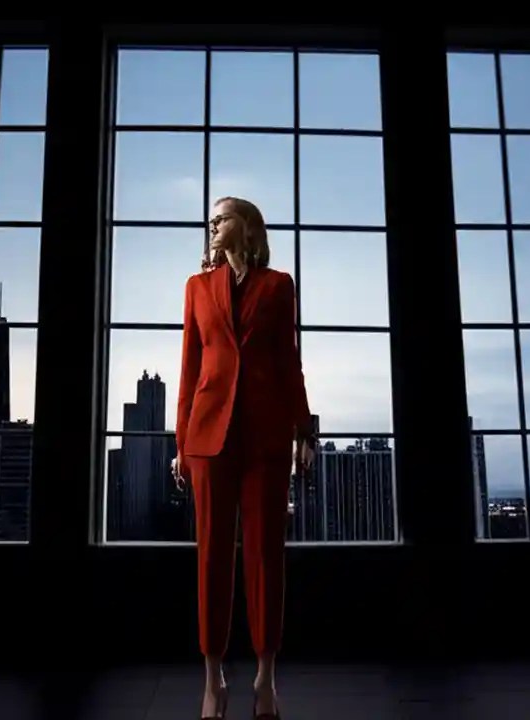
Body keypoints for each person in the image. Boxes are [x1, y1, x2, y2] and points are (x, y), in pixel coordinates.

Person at [172, 196, 316, 719]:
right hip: (209, 437)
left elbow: (289, 362)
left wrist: (304, 427)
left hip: (265, 436)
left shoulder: (279, 286)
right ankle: (213, 681)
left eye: (223, 216)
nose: (213, 224)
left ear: (248, 227)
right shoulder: (195, 287)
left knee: (264, 557)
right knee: (211, 556)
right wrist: (181, 442)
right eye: (210, 218)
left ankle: (264, 679)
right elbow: (189, 368)